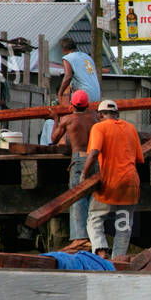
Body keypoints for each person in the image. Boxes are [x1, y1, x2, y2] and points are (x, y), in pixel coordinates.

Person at [81, 99, 144, 259]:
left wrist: (84, 174)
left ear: (100, 114)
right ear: (117, 114)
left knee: (95, 217)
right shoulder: (131, 128)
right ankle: (118, 259)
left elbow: (94, 152)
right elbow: (138, 158)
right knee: (123, 224)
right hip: (130, 183)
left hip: (111, 182)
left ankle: (101, 251)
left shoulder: (99, 127)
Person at [51, 89, 101, 242]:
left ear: (72, 105)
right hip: (95, 158)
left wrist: (55, 119)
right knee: (96, 197)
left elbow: (53, 139)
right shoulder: (95, 117)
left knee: (78, 198)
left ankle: (80, 238)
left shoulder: (68, 119)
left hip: (79, 159)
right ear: (88, 105)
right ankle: (95, 236)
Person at [57, 36, 101, 104]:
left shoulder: (68, 58)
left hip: (84, 95)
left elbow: (68, 76)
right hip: (97, 94)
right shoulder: (87, 57)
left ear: (64, 49)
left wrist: (60, 93)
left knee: (78, 113)